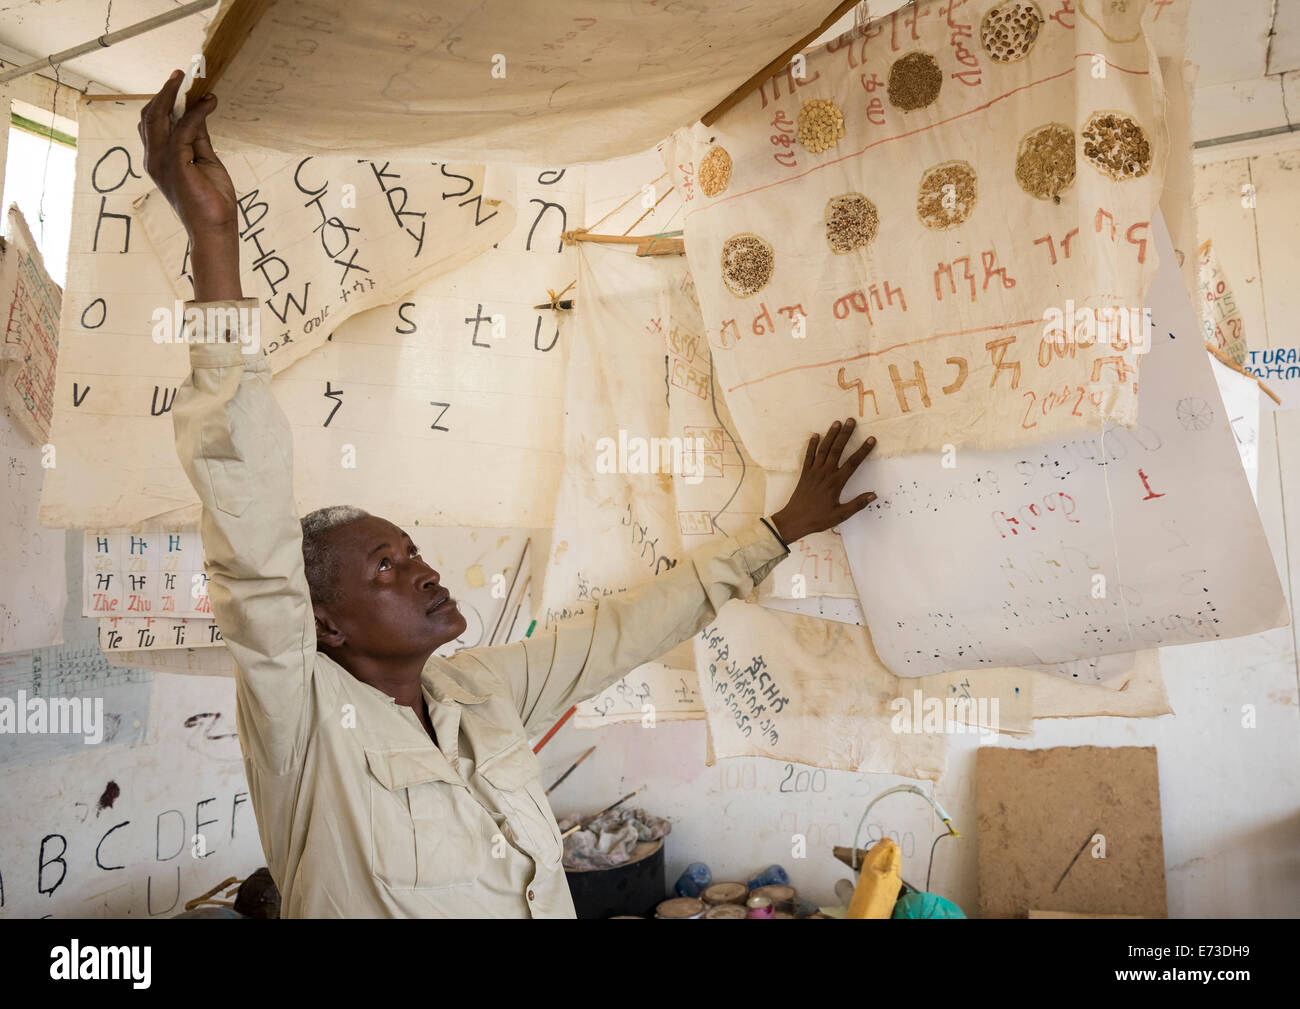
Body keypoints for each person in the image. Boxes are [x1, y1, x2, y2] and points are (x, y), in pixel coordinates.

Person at [139, 70, 878, 918]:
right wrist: (213, 234)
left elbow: (626, 630)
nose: (421, 570)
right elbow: (246, 514)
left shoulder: (480, 693)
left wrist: (779, 530)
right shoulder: (303, 723)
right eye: (384, 565)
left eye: (412, 549)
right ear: (325, 623)